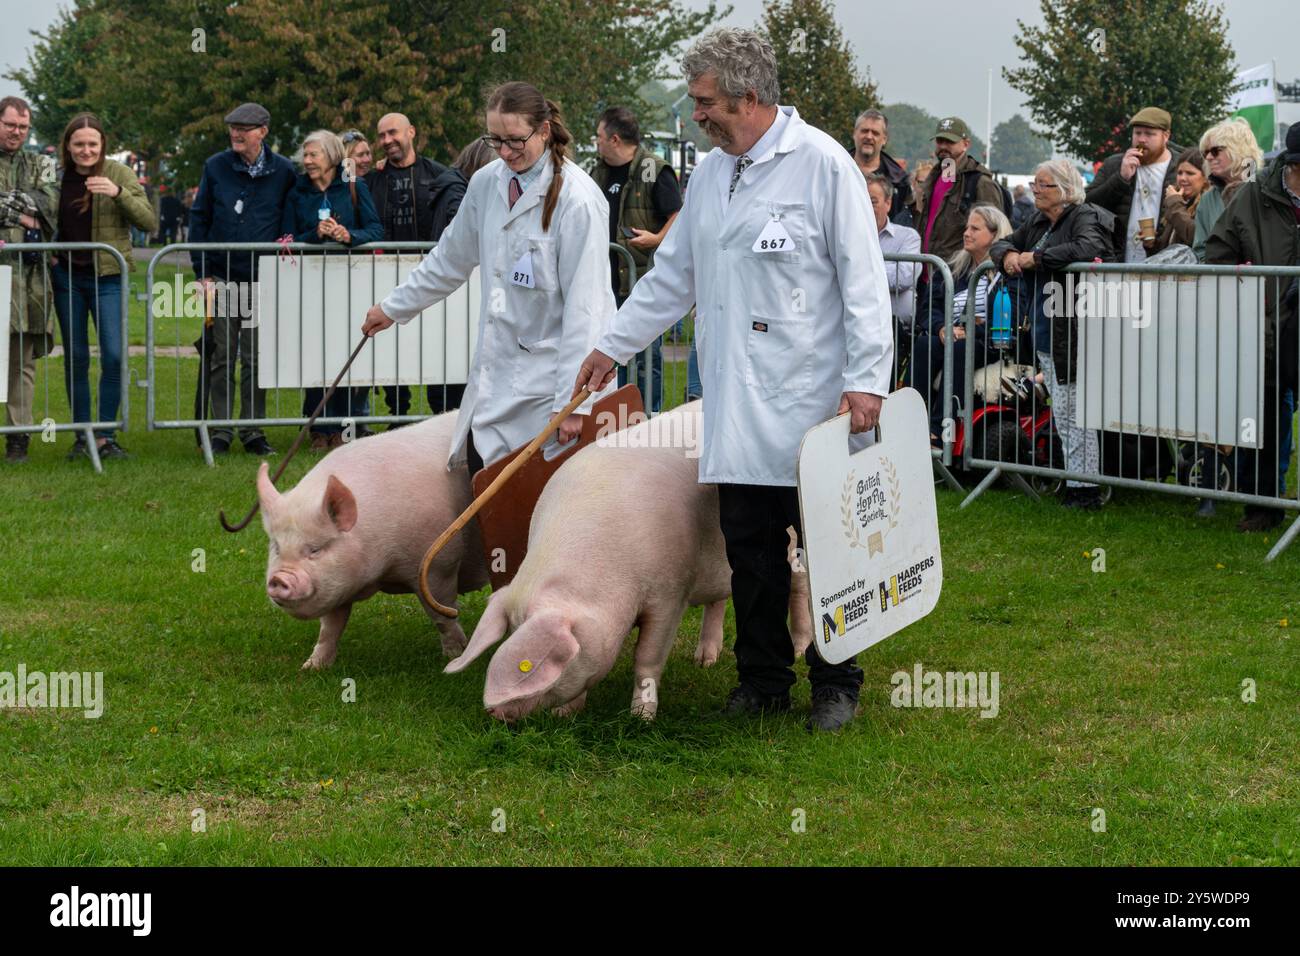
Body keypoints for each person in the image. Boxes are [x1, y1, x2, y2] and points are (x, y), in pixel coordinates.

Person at [571, 28, 894, 732]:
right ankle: (764, 678)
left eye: (706, 102)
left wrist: (867, 381)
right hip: (738, 405)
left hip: (816, 401)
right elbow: (672, 280)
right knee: (748, 550)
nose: (698, 116)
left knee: (833, 547)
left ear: (748, 98)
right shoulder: (714, 173)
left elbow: (864, 283)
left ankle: (838, 683)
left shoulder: (822, 165)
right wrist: (610, 346)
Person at [361, 81, 614, 479]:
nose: (506, 151)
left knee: (540, 513)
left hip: (550, 388)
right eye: (495, 140)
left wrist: (573, 405)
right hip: (495, 382)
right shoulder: (485, 184)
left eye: (516, 140)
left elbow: (588, 310)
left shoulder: (578, 200)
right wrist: (393, 307)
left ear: (544, 131)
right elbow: (449, 259)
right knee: (489, 496)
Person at [991, 159, 1116, 509]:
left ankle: (1085, 488)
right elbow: (1001, 245)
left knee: (1075, 413)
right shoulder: (1037, 220)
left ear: (1062, 190)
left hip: (1074, 331)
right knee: (1064, 412)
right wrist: (1012, 255)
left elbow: (1087, 249)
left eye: (1041, 185)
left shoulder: (1085, 216)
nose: (1034, 189)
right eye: (1033, 183)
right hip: (1048, 332)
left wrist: (1036, 258)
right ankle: (1077, 483)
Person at [1205, 122, 1300, 532]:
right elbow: (1218, 253)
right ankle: (1262, 506)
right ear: (1292, 165)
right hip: (1269, 328)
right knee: (1264, 419)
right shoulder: (1253, 196)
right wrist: (1244, 285)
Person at [188, 102, 296, 456]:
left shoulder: (284, 171)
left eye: (244, 128)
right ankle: (220, 431)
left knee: (254, 358)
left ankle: (252, 430)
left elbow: (289, 220)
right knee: (221, 356)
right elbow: (199, 218)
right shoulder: (215, 167)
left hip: (261, 280)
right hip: (221, 278)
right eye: (232, 127)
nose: (236, 133)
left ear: (263, 131)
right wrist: (202, 272)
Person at [50, 112, 157, 461]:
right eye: (79, 144)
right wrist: (49, 252)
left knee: (113, 356)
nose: (85, 150)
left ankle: (105, 436)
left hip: (109, 277)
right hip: (67, 278)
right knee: (77, 358)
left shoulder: (118, 173)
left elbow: (148, 221)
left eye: (92, 144)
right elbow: (42, 217)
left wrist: (117, 192)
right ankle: (82, 436)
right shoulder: (55, 177)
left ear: (102, 145)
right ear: (68, 145)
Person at [281, 129, 383, 450]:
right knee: (316, 354)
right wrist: (315, 234)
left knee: (344, 355)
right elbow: (285, 238)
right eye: (305, 155)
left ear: (333, 156)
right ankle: (317, 428)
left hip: (349, 283)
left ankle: (344, 430)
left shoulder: (354, 186)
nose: (307, 161)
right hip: (310, 284)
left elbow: (375, 229)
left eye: (314, 155)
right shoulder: (297, 191)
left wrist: (347, 235)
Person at [365, 112, 469, 419]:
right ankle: (397, 414)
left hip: (433, 278)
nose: (387, 140)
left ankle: (444, 414)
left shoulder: (439, 175)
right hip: (385, 278)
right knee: (394, 352)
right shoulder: (373, 180)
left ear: (411, 132)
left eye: (393, 133)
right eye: (381, 135)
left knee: (438, 347)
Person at [591, 106, 683, 412]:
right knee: (604, 355)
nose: (596, 142)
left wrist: (657, 239)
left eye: (599, 136)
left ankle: (646, 417)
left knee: (645, 360)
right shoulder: (597, 170)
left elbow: (679, 214)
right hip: (604, 283)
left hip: (641, 284)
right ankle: (609, 420)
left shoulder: (655, 169)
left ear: (614, 139)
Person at [908, 204, 1011, 443]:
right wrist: (941, 328)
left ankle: (940, 431)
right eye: (966, 227)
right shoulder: (953, 268)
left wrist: (970, 331)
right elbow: (928, 308)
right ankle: (910, 420)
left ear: (994, 236)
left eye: (975, 228)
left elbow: (1010, 318)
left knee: (961, 348)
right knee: (925, 344)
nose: (966, 233)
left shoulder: (1007, 272)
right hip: (951, 335)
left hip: (989, 342)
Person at [0, 95, 59, 464]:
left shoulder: (43, 162)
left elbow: (50, 202)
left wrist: (11, 207)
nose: (16, 132)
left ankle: (18, 437)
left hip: (28, 278)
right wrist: (26, 214)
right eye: (10, 125)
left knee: (22, 360)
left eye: (22, 127)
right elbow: (35, 209)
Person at [1084, 107, 1184, 263]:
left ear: (1166, 136)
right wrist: (1121, 178)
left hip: (1165, 263)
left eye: (1149, 134)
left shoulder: (1181, 167)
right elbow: (1088, 205)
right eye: (1137, 133)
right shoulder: (1115, 164)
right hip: (1119, 262)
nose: (1142, 139)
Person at [914, 117, 1005, 262]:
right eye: (940, 141)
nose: (943, 146)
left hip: (960, 273)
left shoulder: (980, 182)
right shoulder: (933, 177)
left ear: (966, 144)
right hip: (926, 272)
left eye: (950, 142)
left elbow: (996, 232)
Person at [868, 172, 920, 388]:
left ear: (888, 203)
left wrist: (860, 273)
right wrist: (884, 270)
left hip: (895, 328)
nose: (865, 206)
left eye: (872, 201)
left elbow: (905, 275)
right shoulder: (844, 237)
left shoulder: (907, 236)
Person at [1192, 117, 1263, 261]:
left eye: (1215, 151)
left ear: (1238, 150)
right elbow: (1200, 252)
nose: (1209, 157)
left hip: (1266, 280)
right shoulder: (1208, 200)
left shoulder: (1265, 190)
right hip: (1221, 281)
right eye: (1206, 153)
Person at [851, 109, 912, 226]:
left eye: (875, 133)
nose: (869, 136)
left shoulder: (899, 181)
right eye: (864, 131)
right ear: (854, 134)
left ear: (884, 139)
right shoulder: (836, 169)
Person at [1149, 147, 1208, 253]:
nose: (1182, 178)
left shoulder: (1208, 202)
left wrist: (1175, 203)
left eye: (1190, 173)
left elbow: (1195, 237)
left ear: (1205, 177)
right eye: (1180, 173)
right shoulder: (1178, 201)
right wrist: (1152, 244)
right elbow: (1168, 252)